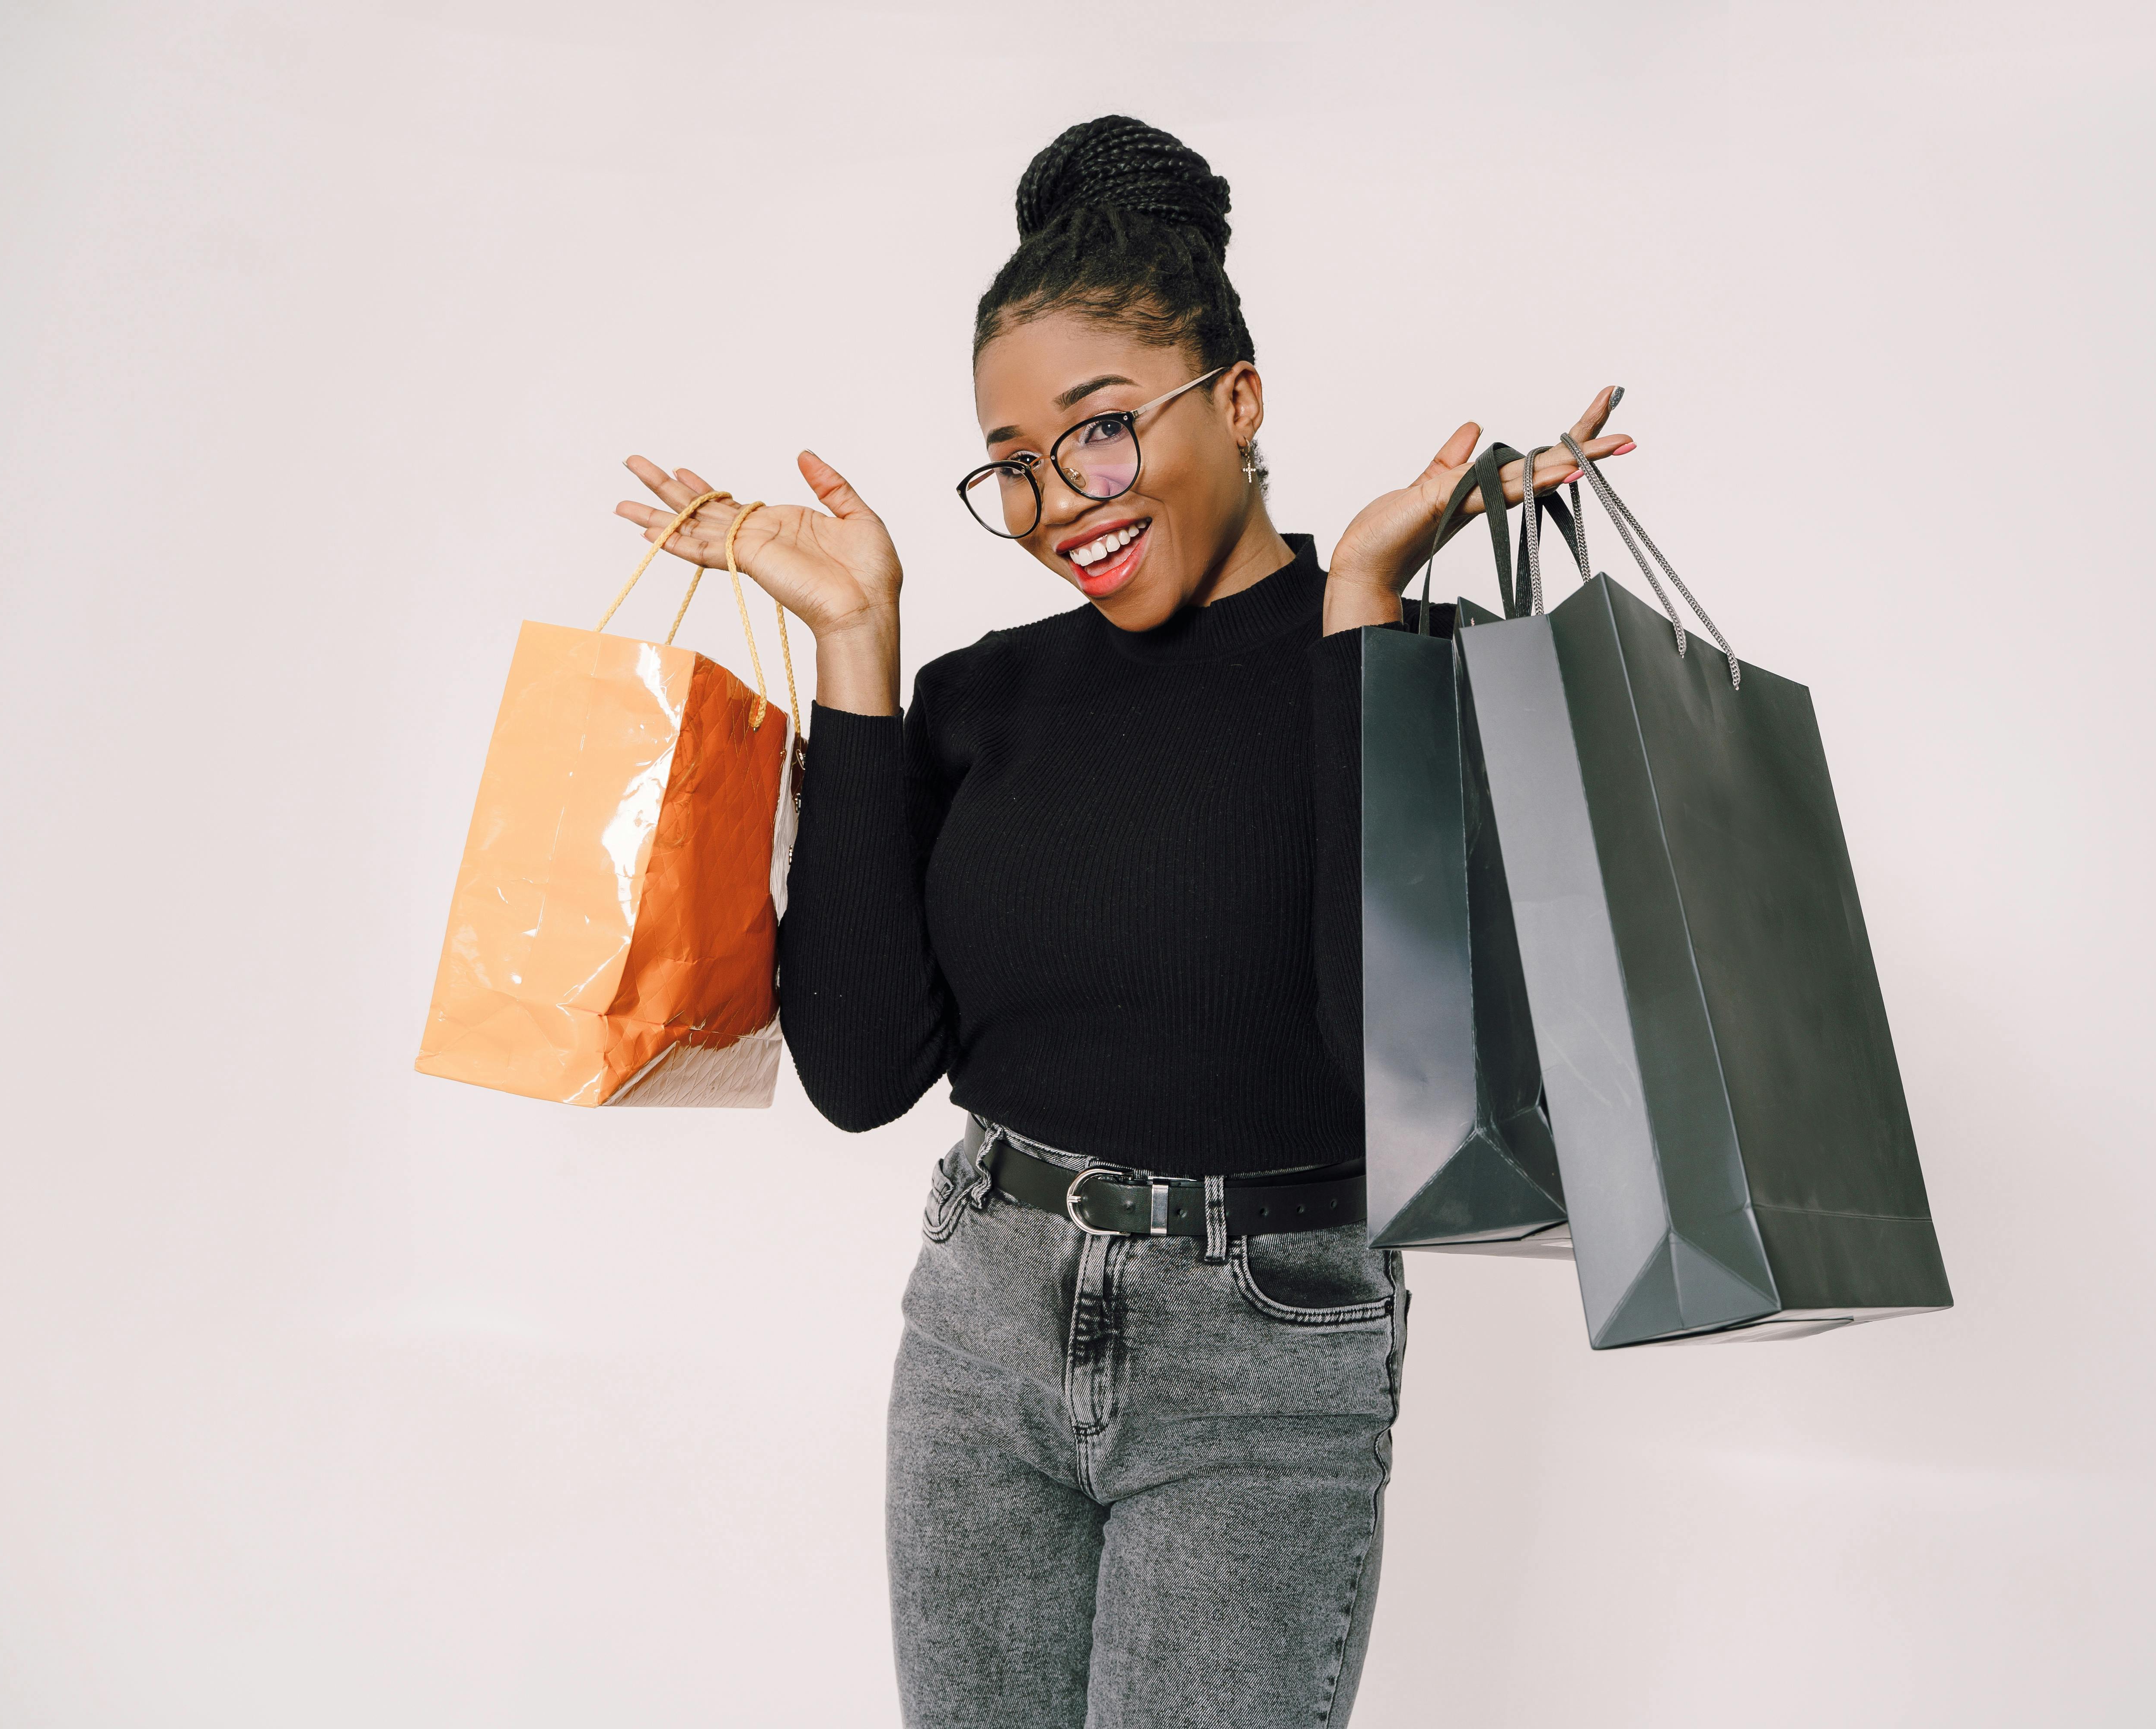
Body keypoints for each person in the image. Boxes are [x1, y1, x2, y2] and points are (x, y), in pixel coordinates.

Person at [614, 115, 1628, 1729]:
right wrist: (860, 651)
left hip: (1266, 1354)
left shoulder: (1399, 660)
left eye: (1097, 433)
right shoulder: (974, 701)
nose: (1057, 503)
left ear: (1236, 398)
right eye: (1012, 468)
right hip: (982, 1321)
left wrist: (1363, 609)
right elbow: (866, 1073)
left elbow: (1399, 1079)